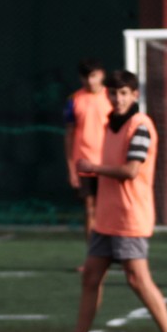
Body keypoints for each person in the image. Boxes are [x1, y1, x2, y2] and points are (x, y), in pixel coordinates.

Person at [38, 70, 167, 332]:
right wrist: (90, 177)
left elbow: (132, 170)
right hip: (107, 217)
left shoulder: (140, 125)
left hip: (130, 216)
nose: (117, 98)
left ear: (135, 96)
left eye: (124, 93)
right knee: (91, 277)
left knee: (138, 280)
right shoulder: (111, 125)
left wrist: (93, 167)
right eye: (113, 93)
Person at [64, 58, 111, 247]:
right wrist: (70, 168)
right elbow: (69, 134)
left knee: (110, 211)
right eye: (86, 77)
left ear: (101, 74)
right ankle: (93, 257)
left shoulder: (113, 97)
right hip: (84, 163)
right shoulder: (74, 100)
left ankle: (115, 255)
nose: (90, 81)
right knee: (90, 210)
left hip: (109, 164)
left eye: (94, 75)